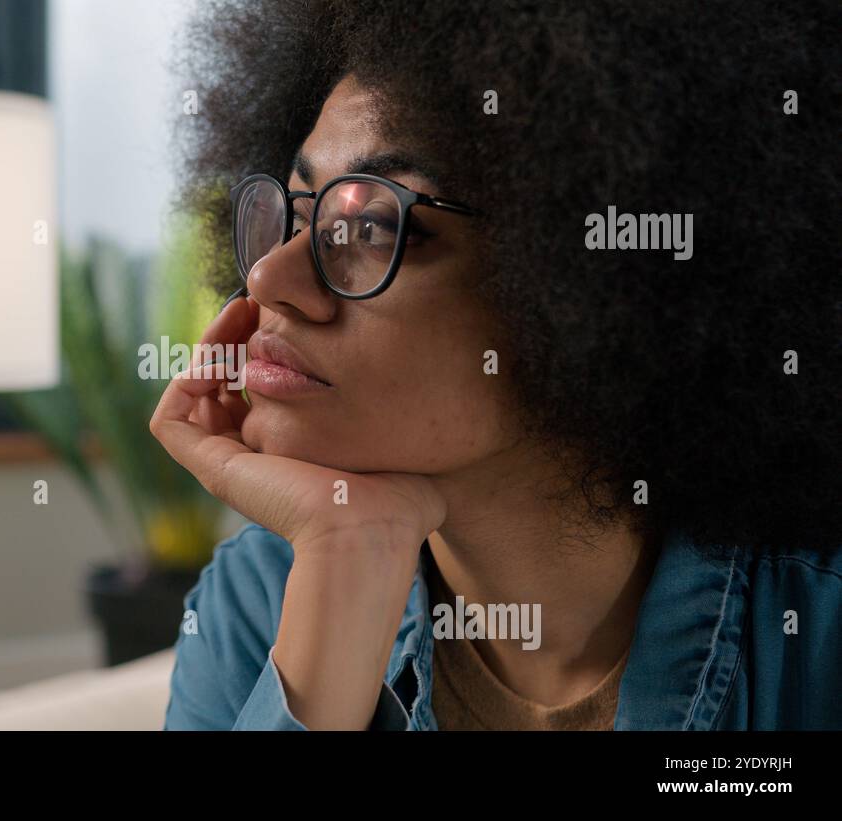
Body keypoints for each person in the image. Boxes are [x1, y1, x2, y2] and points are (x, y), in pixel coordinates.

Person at [152, 0, 840, 730]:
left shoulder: (817, 630)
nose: (267, 280)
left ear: (589, 286)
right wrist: (349, 552)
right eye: (294, 217)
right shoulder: (257, 601)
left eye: (374, 226)